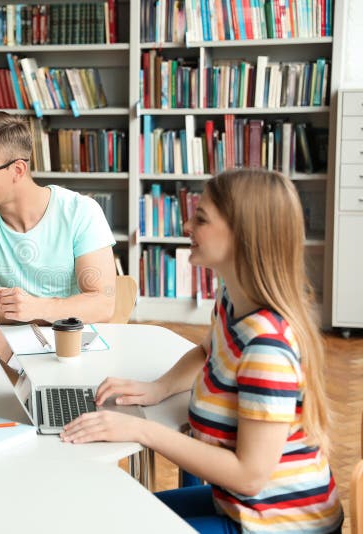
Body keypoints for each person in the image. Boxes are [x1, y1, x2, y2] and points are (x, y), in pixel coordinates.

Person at [60, 169, 343, 533]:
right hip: (239, 506)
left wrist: (141, 430)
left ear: (243, 236)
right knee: (118, 517)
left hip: (276, 523)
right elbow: (208, 351)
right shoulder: (232, 301)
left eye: (201, 219)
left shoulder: (267, 347)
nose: (186, 225)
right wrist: (158, 388)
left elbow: (249, 476)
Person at [0, 111, 117, 324]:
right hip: (0, 340)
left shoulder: (82, 211)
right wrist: (27, 312)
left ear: (18, 169)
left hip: (65, 339)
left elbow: (103, 304)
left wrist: (36, 309)